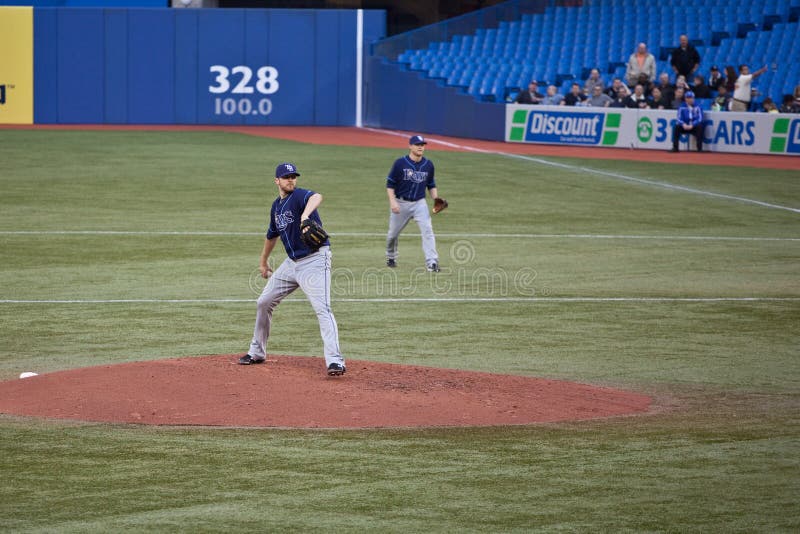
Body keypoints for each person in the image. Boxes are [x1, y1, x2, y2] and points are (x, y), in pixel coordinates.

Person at [239, 162, 346, 376]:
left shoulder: (299, 196)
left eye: (293, 177)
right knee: (264, 302)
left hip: (315, 260)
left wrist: (305, 216)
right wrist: (263, 262)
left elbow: (317, 196)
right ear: (277, 181)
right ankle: (257, 352)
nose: (291, 180)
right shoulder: (276, 207)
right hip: (291, 264)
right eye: (286, 177)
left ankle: (335, 362)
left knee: (322, 308)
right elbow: (271, 236)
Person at [386, 135, 443, 272]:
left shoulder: (428, 165)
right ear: (410, 146)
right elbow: (390, 185)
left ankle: (432, 262)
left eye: (422, 144)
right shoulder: (400, 163)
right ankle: (391, 256)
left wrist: (436, 198)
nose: (420, 147)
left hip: (419, 203)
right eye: (417, 144)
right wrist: (393, 202)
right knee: (392, 235)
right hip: (400, 202)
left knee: (428, 230)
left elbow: (431, 184)